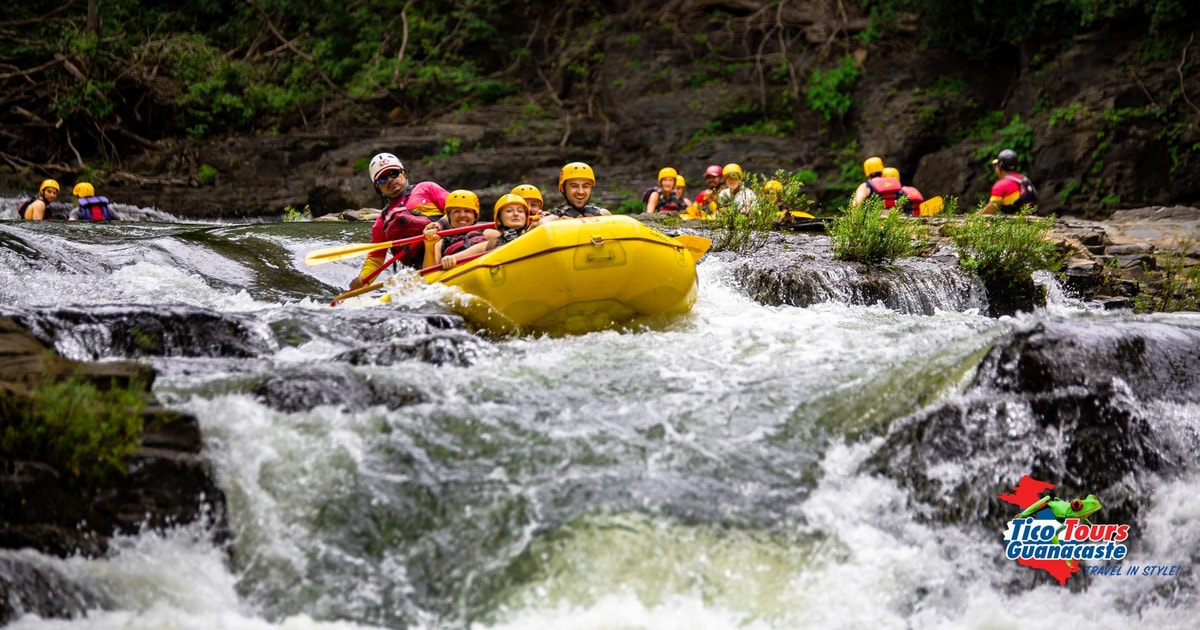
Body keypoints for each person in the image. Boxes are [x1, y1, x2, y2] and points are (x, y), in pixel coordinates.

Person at [348, 152, 449, 290]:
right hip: (421, 270)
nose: (390, 179)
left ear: (404, 174)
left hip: (450, 249)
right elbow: (375, 259)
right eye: (383, 179)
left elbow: (458, 209)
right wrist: (363, 279)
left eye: (394, 173)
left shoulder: (426, 188)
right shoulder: (382, 222)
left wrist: (440, 224)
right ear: (378, 187)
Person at [421, 189, 491, 270]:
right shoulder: (441, 244)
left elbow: (503, 244)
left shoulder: (487, 233)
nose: (462, 215)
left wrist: (455, 257)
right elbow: (428, 276)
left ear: (475, 216)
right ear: (449, 217)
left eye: (467, 211)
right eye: (456, 211)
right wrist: (429, 246)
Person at [543, 162, 611, 221]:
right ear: (563, 189)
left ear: (591, 189)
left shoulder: (603, 214)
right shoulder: (553, 218)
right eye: (574, 186)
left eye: (585, 186)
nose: (580, 192)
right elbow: (541, 224)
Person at [979, 149, 1038, 215]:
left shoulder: (1001, 185)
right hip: (1031, 221)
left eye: (996, 165)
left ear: (1000, 165)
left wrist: (973, 218)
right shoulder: (1025, 180)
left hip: (1014, 223)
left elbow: (991, 209)